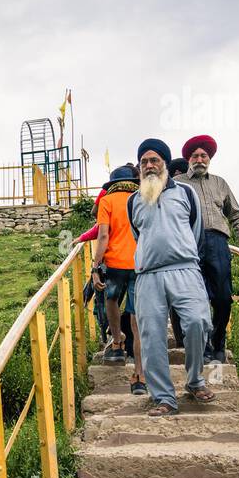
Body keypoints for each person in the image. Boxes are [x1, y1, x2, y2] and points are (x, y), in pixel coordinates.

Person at [128, 138, 215, 417]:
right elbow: (137, 236)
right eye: (144, 162)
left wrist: (183, 254)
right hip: (149, 275)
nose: (149, 166)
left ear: (165, 163)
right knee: (152, 335)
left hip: (186, 269)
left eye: (154, 160)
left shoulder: (186, 193)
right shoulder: (133, 201)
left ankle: (195, 380)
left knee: (198, 323)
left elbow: (196, 230)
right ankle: (164, 397)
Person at [180, 134, 239, 363]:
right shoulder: (179, 183)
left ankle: (218, 341)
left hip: (218, 242)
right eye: (195, 156)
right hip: (189, 243)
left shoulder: (220, 183)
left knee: (223, 297)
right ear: (189, 159)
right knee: (196, 298)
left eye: (204, 155)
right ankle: (201, 347)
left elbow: (236, 214)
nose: (200, 159)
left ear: (209, 158)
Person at [91, 164, 146, 394]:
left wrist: (95, 266)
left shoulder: (107, 201)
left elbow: (103, 235)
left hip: (114, 264)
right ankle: (139, 377)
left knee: (111, 300)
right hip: (140, 263)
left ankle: (116, 342)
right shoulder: (142, 198)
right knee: (136, 319)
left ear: (111, 184)